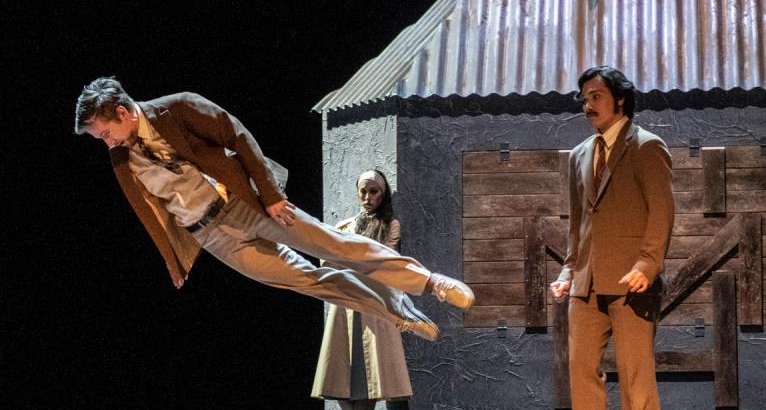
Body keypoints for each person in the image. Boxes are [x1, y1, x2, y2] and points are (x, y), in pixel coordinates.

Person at [73, 78, 475, 344]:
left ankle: (430, 282)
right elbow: (149, 210)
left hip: (246, 205)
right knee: (309, 280)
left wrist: (269, 194)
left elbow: (238, 136)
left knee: (335, 245)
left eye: (106, 133)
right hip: (212, 236)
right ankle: (397, 313)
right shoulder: (121, 159)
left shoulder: (176, 108)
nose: (107, 142)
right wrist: (171, 258)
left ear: (122, 113)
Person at [549, 66, 674, 410]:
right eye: (583, 97)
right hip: (586, 280)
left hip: (631, 279)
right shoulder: (580, 154)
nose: (587, 104)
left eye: (596, 96)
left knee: (635, 374)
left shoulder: (647, 146)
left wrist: (647, 264)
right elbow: (578, 224)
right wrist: (568, 271)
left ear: (619, 99)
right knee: (581, 371)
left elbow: (661, 212)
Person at [312, 170, 415, 410]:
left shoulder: (389, 226)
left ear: (383, 195)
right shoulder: (343, 226)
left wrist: (349, 260)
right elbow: (326, 261)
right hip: (345, 306)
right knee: (336, 379)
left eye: (374, 192)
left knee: (372, 377)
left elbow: (382, 262)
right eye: (364, 191)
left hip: (374, 306)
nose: (368, 197)